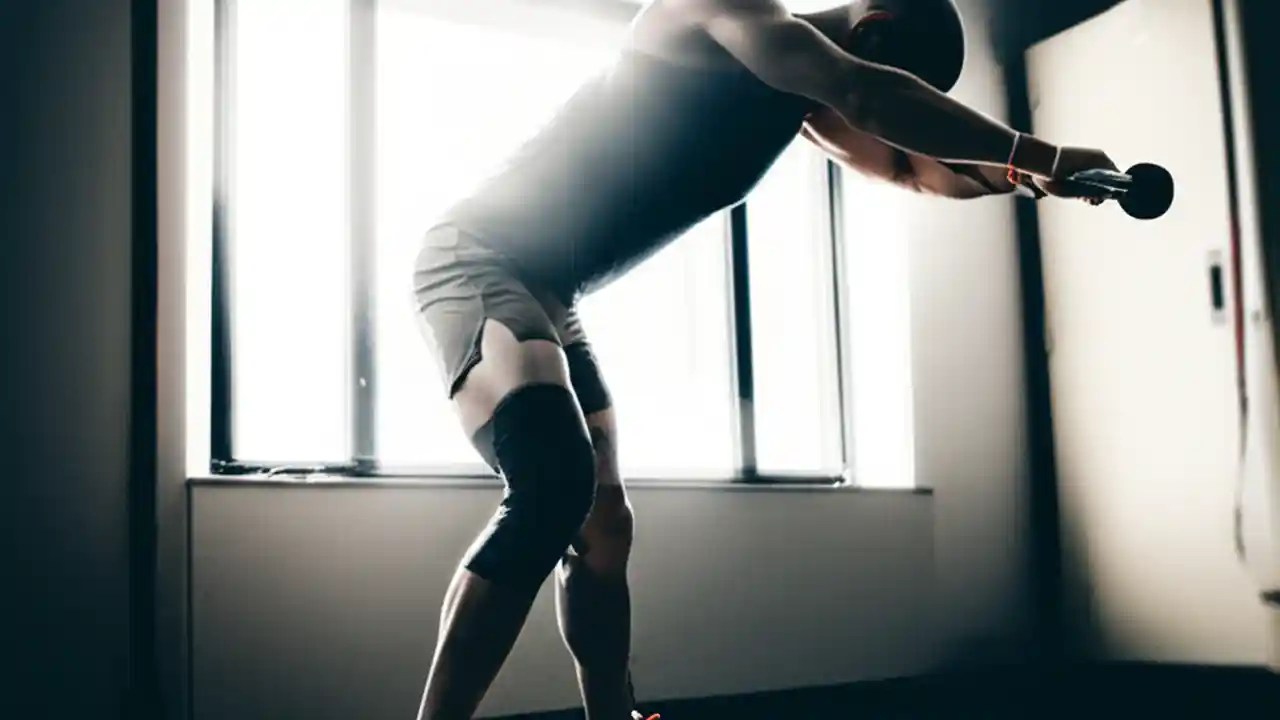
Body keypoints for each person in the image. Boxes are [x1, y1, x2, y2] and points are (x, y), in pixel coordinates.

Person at [410, 1, 1116, 718]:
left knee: (604, 523)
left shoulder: (805, 101)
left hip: (548, 292)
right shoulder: (736, 14)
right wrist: (1039, 152)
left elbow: (917, 169)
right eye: (891, 75)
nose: (883, 99)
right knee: (554, 485)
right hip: (479, 256)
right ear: (871, 28)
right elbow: (868, 96)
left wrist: (1031, 176)